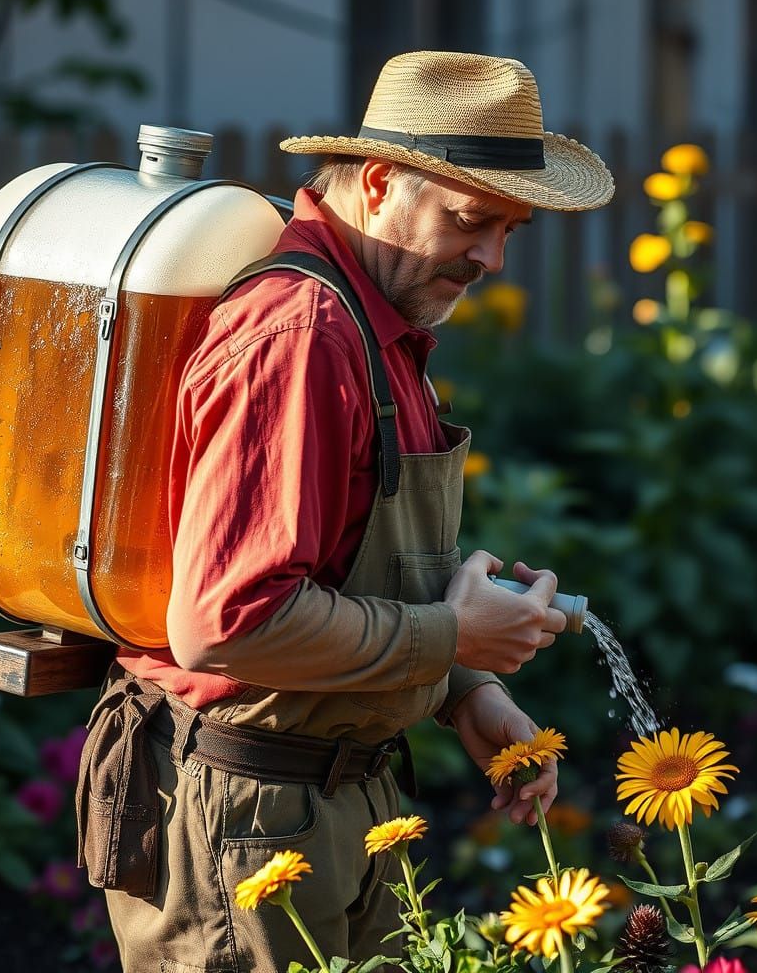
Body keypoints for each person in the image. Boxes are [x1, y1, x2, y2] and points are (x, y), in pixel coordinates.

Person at [78, 51, 614, 972]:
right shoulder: (303, 335)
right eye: (473, 220)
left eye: (511, 231)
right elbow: (227, 623)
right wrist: (451, 636)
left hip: (336, 804)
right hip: (246, 828)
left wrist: (464, 691)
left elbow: (339, 568)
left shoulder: (380, 319)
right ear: (378, 184)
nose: (491, 257)